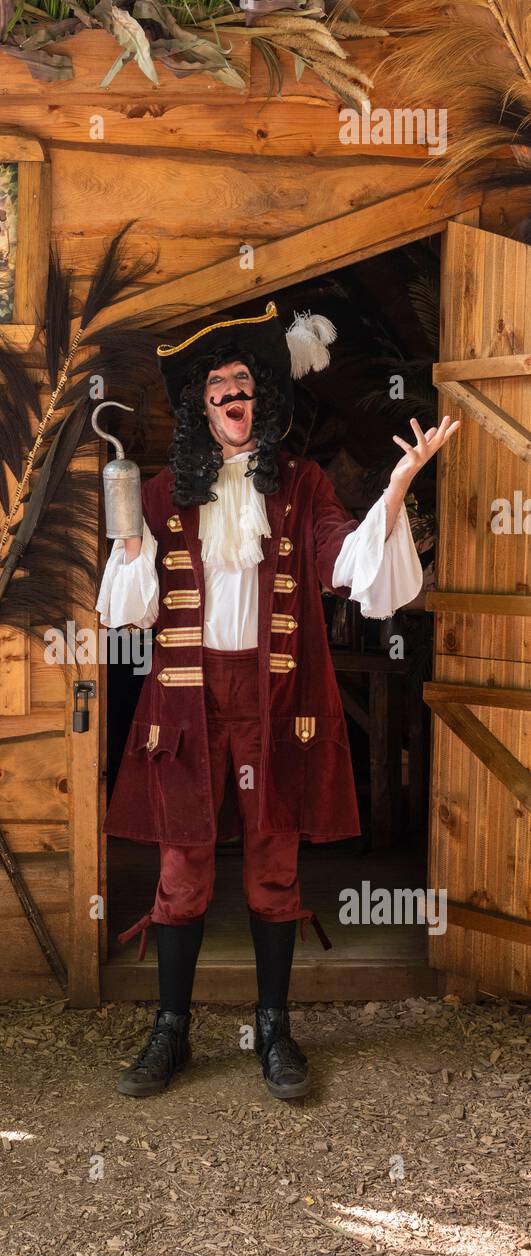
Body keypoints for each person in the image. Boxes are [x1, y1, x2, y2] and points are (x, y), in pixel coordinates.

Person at [97, 302, 459, 1100]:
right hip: (187, 706)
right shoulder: (158, 493)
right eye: (218, 385)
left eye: (245, 383)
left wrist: (396, 492)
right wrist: (130, 546)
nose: (233, 395)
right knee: (180, 875)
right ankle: (171, 1032)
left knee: (273, 872)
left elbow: (349, 568)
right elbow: (128, 611)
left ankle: (273, 1029)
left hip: (278, 700)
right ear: (200, 404)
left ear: (263, 398)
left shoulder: (300, 485)